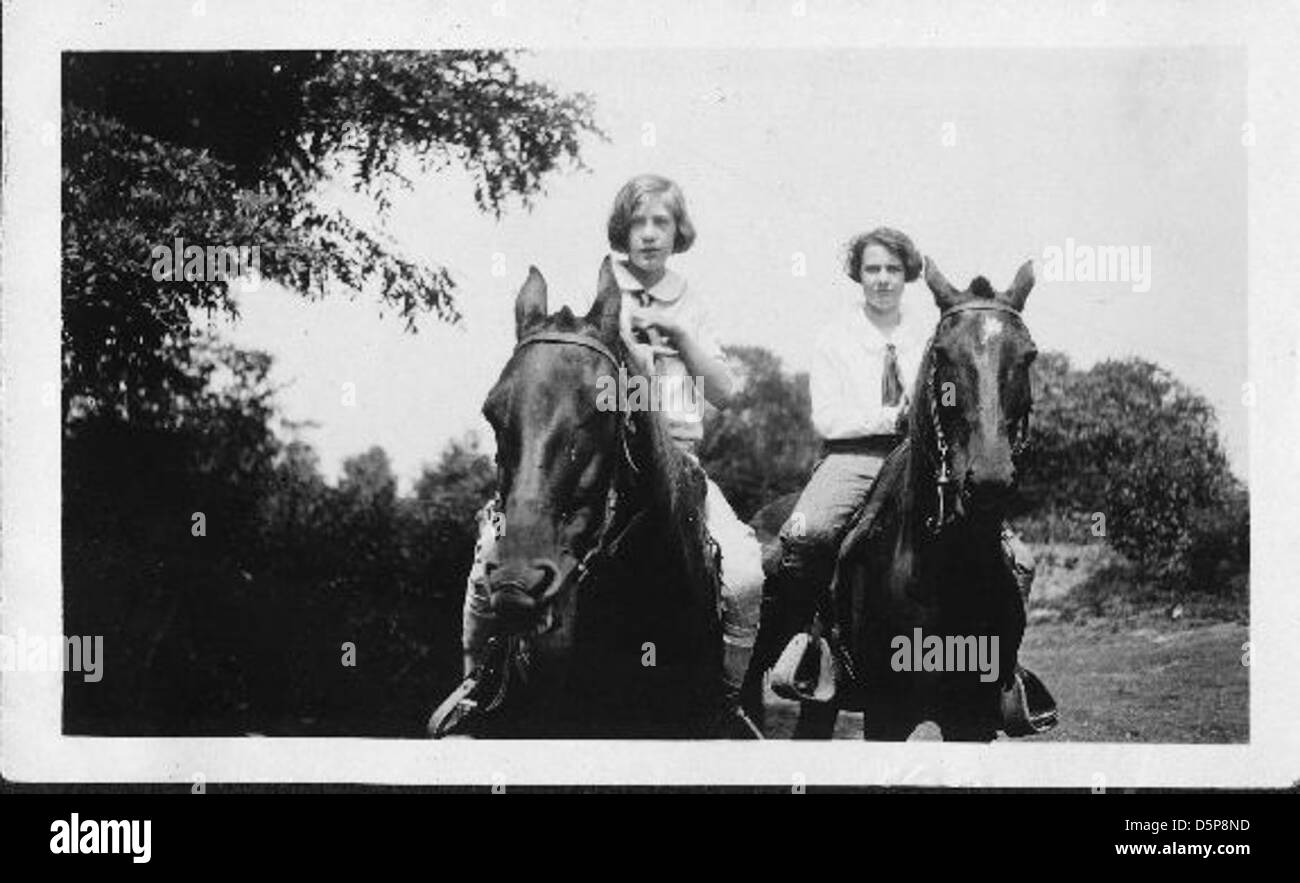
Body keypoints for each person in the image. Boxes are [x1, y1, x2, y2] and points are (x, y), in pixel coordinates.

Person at [458, 174, 765, 728]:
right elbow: (587, 392)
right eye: (638, 222)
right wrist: (629, 350)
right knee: (489, 561)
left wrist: (679, 333)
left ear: (678, 231)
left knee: (744, 571)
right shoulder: (605, 299)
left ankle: (725, 699)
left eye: (661, 222)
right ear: (622, 230)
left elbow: (725, 391)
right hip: (600, 461)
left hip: (676, 458)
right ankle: (479, 683)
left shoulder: (690, 301)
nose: (648, 234)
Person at [762, 227, 1035, 691]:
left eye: (892, 269)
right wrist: (893, 416)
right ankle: (814, 645)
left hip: (922, 457)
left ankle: (1003, 670)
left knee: (1020, 559)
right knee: (804, 536)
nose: (883, 279)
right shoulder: (834, 337)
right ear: (858, 275)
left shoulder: (937, 334)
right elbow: (827, 417)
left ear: (908, 276)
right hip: (854, 457)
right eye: (873, 269)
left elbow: (952, 394)